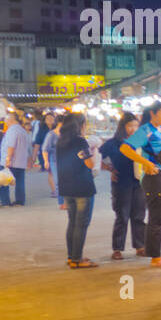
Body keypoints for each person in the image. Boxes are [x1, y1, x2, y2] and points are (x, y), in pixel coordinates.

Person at [120, 100, 161, 267]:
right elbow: (125, 148)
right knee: (157, 218)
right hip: (155, 177)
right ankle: (155, 257)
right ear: (153, 114)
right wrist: (145, 162)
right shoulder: (145, 131)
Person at [56, 113, 98, 268]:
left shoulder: (61, 142)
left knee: (72, 222)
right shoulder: (80, 141)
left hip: (67, 187)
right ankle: (77, 259)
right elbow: (90, 164)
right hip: (82, 187)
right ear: (80, 125)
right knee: (81, 224)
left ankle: (72, 257)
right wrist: (92, 151)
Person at [103, 112, 146, 259]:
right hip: (121, 184)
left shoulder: (141, 141)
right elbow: (98, 156)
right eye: (130, 126)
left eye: (135, 125)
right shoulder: (114, 143)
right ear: (123, 127)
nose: (133, 129)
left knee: (139, 216)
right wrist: (109, 169)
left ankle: (140, 246)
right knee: (122, 216)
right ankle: (117, 249)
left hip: (139, 183)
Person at [0, 111, 32, 207]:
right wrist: (29, 160)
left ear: (10, 120)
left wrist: (8, 159)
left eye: (6, 120)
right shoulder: (23, 130)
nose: (6, 122)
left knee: (2, 181)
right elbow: (28, 147)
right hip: (21, 162)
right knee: (20, 182)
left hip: (11, 161)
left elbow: (11, 146)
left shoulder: (12, 130)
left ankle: (5, 202)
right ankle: (20, 201)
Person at [42, 116, 62, 205]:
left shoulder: (68, 134)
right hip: (54, 160)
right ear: (59, 123)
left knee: (66, 180)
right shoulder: (51, 135)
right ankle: (62, 202)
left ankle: (65, 200)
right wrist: (46, 161)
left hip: (66, 159)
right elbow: (45, 149)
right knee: (58, 181)